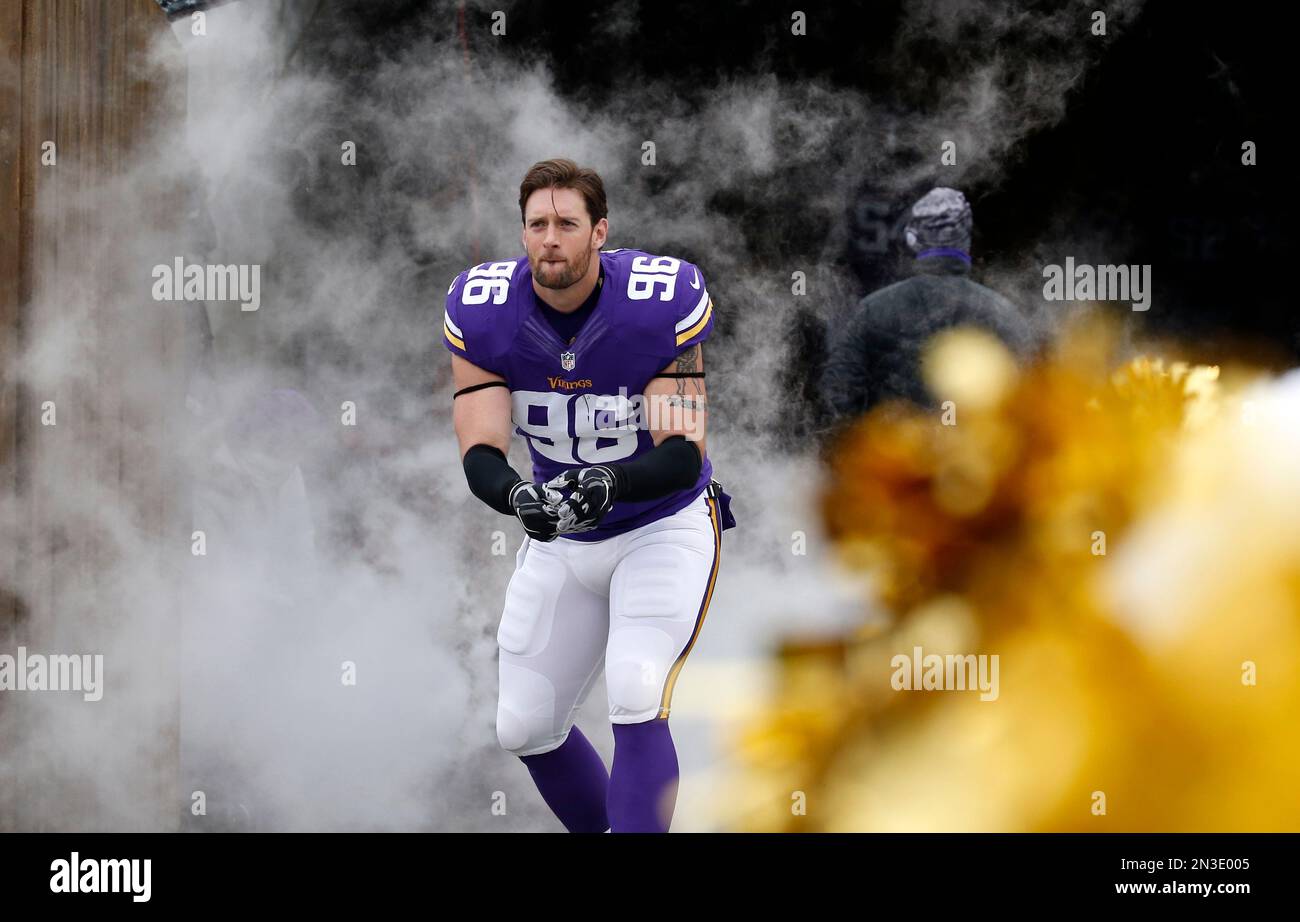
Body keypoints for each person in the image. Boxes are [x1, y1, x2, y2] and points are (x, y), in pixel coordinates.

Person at [443, 158, 736, 833]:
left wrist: (610, 483)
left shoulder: (658, 303)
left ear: (599, 232)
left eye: (567, 224)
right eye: (537, 224)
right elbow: (480, 449)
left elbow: (678, 452)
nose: (551, 238)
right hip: (566, 536)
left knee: (635, 688)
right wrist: (519, 498)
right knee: (523, 725)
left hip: (660, 523)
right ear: (522, 234)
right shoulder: (485, 312)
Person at [820, 187, 1033, 422]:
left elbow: (838, 388)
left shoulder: (873, 308)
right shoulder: (1002, 312)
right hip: (972, 455)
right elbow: (1034, 392)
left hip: (900, 453)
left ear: (913, 239)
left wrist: (871, 436)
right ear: (967, 238)